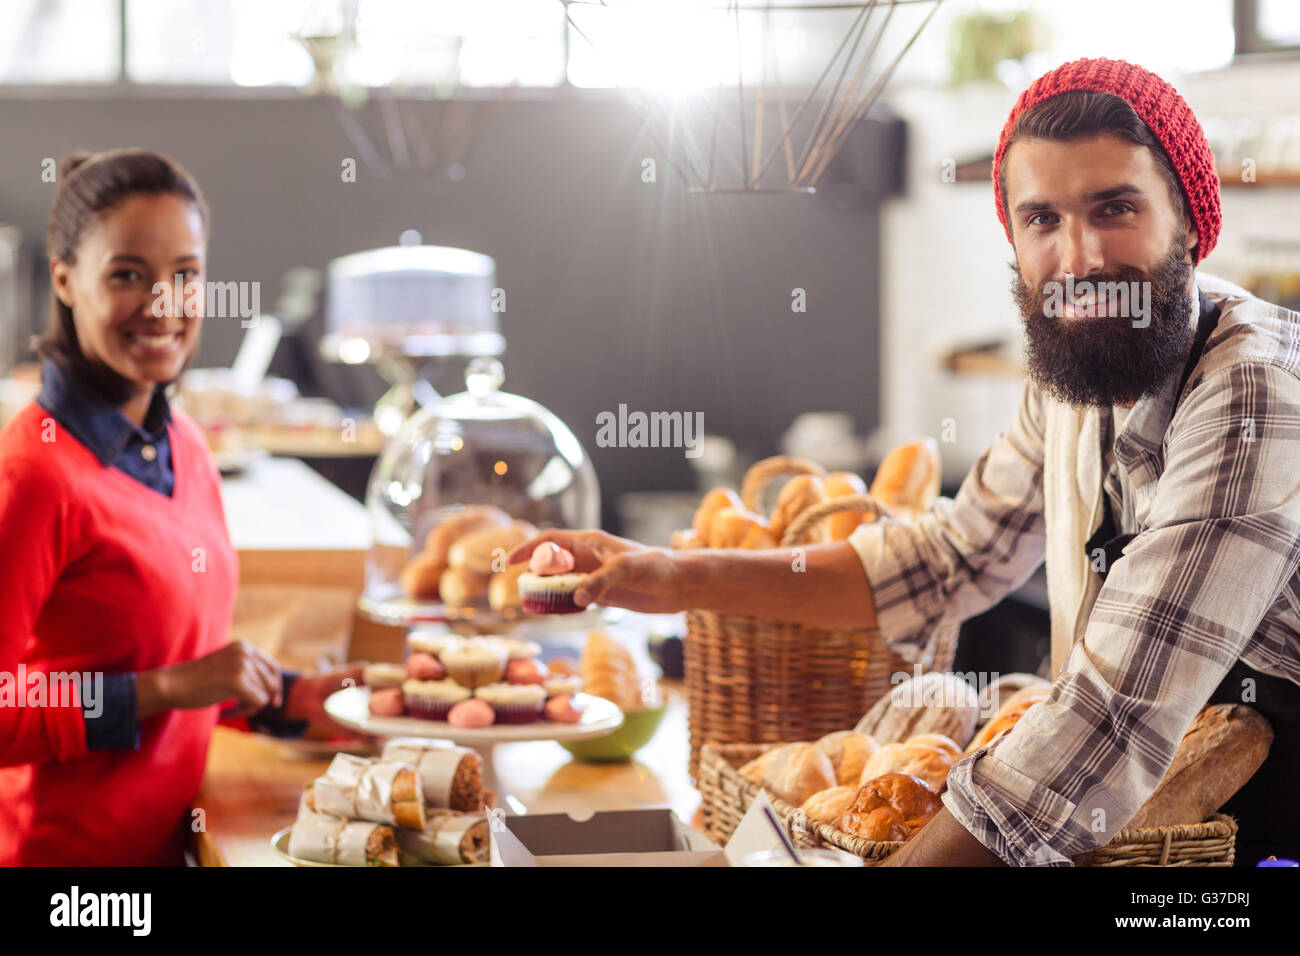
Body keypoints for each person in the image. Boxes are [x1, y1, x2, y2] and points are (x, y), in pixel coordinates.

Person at [510, 58, 1300, 867]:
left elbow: (1110, 719)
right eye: (1042, 220)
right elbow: (949, 558)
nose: (1081, 258)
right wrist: (673, 577)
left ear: (1193, 222)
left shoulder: (1255, 393)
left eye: (1115, 208)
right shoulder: (1078, 370)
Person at [0, 148, 360, 866]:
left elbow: (162, 667)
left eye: (185, 275)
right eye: (128, 274)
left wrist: (290, 699)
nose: (164, 305)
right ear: (66, 280)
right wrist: (164, 689)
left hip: (169, 851)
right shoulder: (33, 474)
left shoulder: (187, 448)